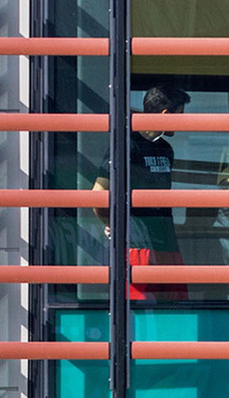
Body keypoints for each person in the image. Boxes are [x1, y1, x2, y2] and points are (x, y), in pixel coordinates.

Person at [93, 80, 191, 301]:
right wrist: (112, 224)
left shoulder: (165, 149)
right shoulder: (128, 145)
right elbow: (99, 194)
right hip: (138, 244)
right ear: (165, 114)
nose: (183, 122)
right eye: (180, 115)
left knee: (175, 307)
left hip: (166, 241)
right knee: (140, 308)